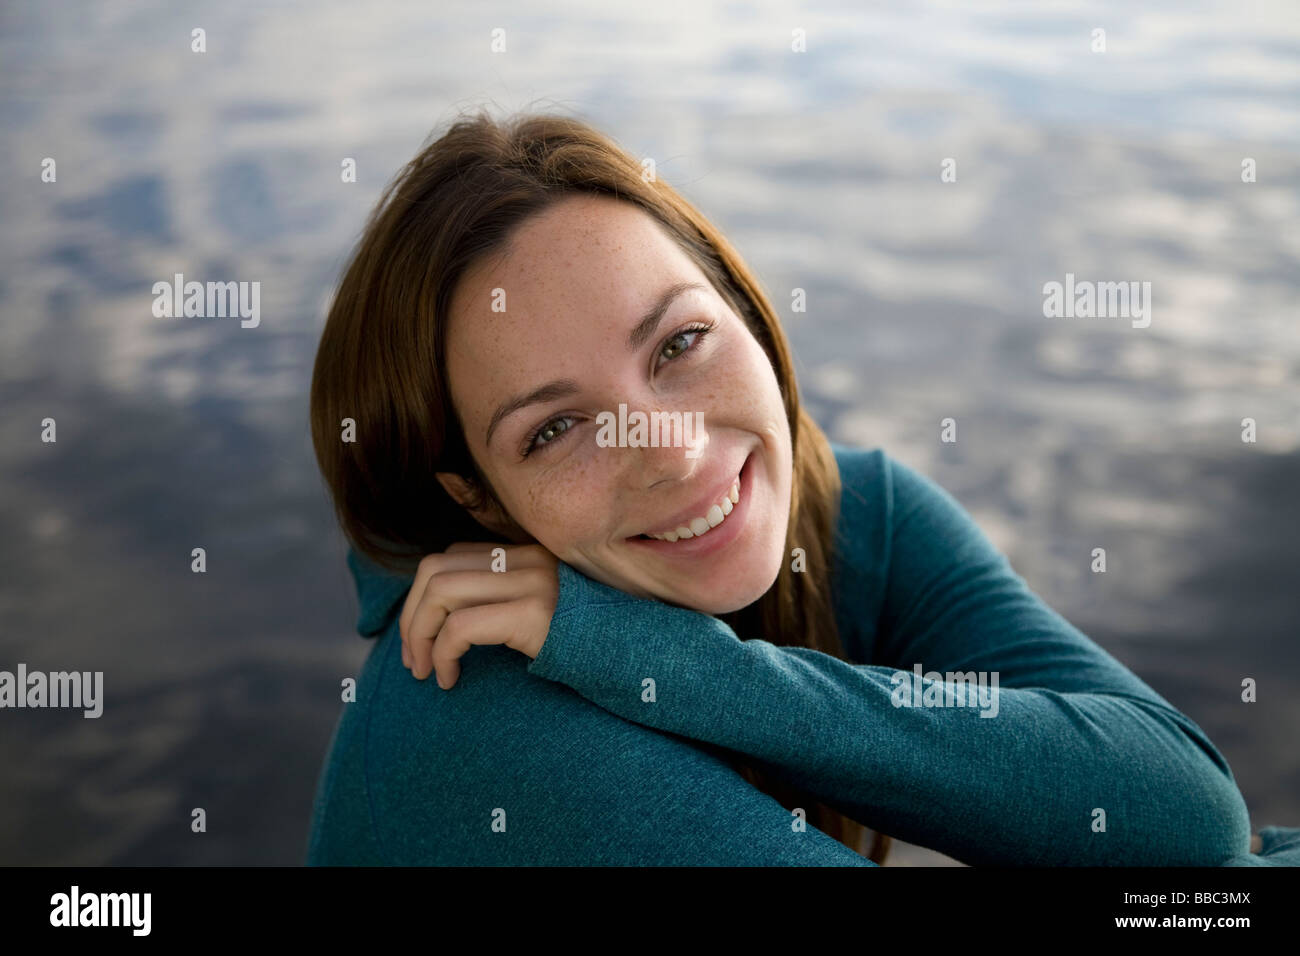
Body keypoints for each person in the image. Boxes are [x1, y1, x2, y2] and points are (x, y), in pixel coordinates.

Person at [306, 109, 1298, 866]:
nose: (676, 454)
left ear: (746, 309)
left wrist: (688, 667)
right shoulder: (475, 703)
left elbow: (1183, 816)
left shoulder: (854, 511)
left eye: (680, 342)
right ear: (479, 499)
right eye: (556, 428)